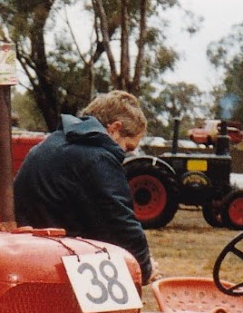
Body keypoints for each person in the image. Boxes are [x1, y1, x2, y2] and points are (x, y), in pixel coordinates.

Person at [12, 90, 154, 282]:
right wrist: (145, 268)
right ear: (114, 129)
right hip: (67, 268)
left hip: (35, 260)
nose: (125, 155)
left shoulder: (48, 145)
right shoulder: (96, 159)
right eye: (128, 147)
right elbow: (120, 224)